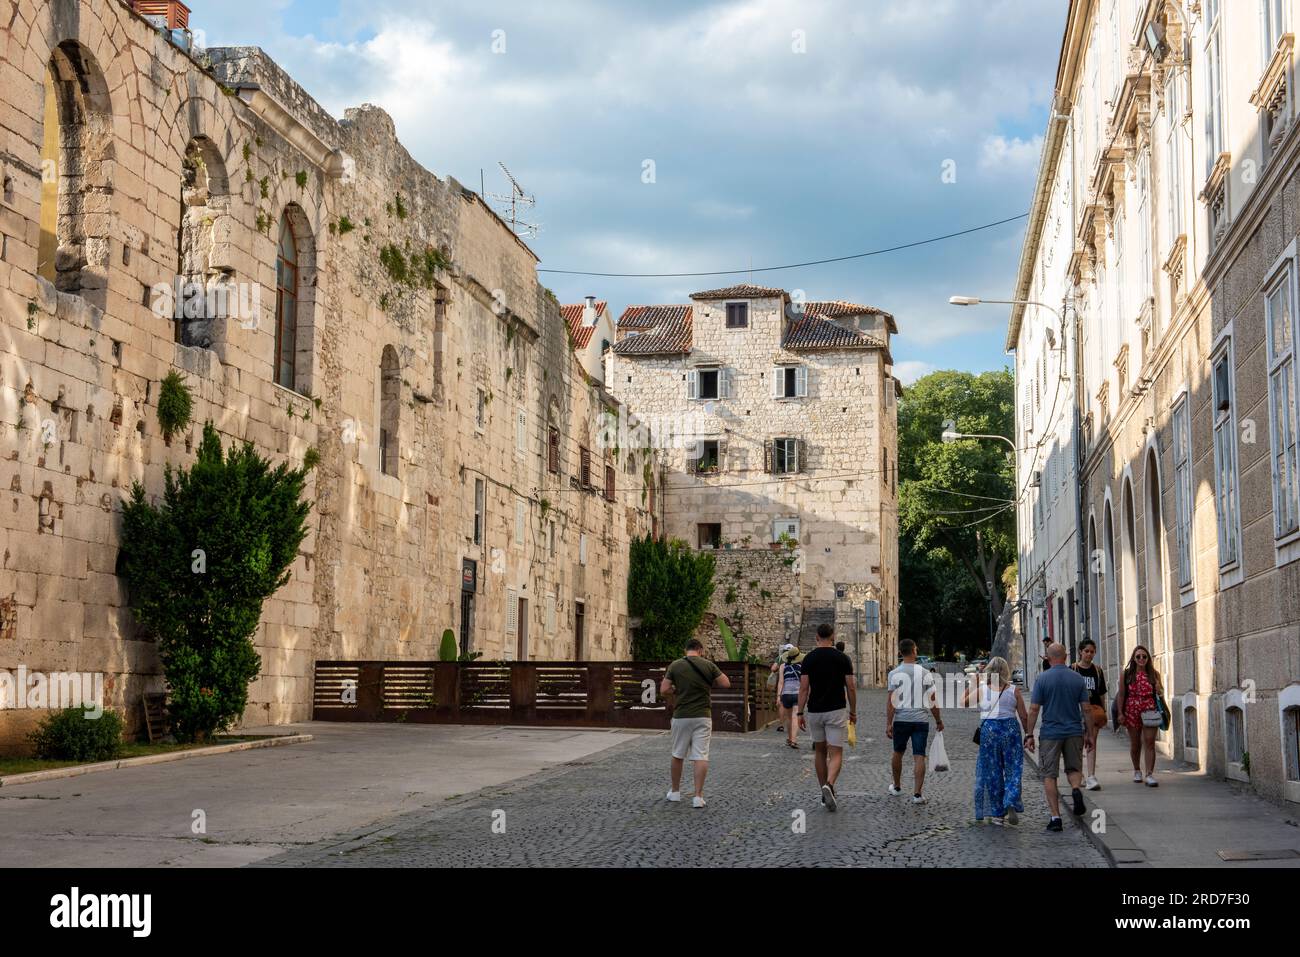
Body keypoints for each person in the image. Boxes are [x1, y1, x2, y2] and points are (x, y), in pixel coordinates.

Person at [1024, 642, 1093, 831]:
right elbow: (1086, 709)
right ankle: (1076, 789)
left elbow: (1034, 709)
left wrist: (1029, 734)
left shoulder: (1042, 679)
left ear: (1048, 658)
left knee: (1049, 774)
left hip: (1050, 734)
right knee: (1073, 768)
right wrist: (1090, 734)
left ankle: (1056, 818)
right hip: (1074, 731)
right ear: (1066, 657)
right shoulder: (1077, 678)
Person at [661, 638, 731, 808]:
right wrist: (708, 682)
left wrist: (676, 690)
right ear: (700, 650)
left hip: (681, 715)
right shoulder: (708, 665)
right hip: (702, 715)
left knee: (678, 754)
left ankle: (675, 792)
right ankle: (698, 797)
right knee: (700, 755)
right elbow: (726, 683)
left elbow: (664, 690)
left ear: (686, 650)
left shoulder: (675, 665)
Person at [797, 623, 856, 811]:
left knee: (820, 752)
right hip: (836, 709)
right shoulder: (843, 658)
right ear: (833, 636)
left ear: (816, 637)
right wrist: (853, 710)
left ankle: (824, 793)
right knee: (836, 752)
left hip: (815, 710)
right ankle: (829, 785)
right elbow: (851, 687)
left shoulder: (808, 659)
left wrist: (799, 712)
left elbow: (804, 689)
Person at [963, 657, 1028, 826]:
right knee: (1013, 768)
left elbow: (963, 702)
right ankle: (1011, 800)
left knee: (993, 772)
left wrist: (973, 684)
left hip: (989, 731)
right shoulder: (1014, 690)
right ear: (1006, 671)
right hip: (1010, 730)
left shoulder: (983, 689)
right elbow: (1023, 715)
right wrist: (1029, 734)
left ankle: (998, 814)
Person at [886, 638, 943, 804]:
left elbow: (891, 702)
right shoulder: (925, 673)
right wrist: (938, 720)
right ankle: (917, 794)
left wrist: (889, 723)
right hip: (920, 720)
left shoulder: (894, 674)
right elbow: (932, 700)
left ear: (901, 653)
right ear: (914, 651)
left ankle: (896, 787)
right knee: (919, 755)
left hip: (901, 719)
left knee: (898, 752)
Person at [1114, 645, 1164, 787]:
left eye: (1144, 656)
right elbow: (1122, 695)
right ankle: (1137, 770)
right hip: (1132, 710)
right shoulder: (1127, 674)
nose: (1141, 659)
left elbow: (1159, 694)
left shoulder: (1154, 674)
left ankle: (1149, 774)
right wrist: (1120, 713)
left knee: (1149, 742)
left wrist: (1159, 690)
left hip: (1149, 710)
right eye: (1138, 656)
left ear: (1148, 658)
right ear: (1134, 659)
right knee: (1136, 743)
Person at [1072, 639, 1108, 790]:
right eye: (1086, 651)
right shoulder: (1073, 670)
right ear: (1080, 652)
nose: (1089, 654)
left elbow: (1101, 694)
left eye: (1092, 651)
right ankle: (1079, 774)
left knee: (1091, 742)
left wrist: (1103, 710)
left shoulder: (1098, 671)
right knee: (1078, 744)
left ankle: (1091, 776)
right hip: (1077, 712)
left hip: (1093, 711)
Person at [770, 644, 803, 748]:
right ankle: (794, 740)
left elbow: (781, 682)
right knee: (795, 716)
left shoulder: (783, 666)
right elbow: (804, 683)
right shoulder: (801, 667)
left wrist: (779, 696)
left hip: (786, 694)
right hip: (797, 693)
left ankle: (789, 738)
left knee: (789, 718)